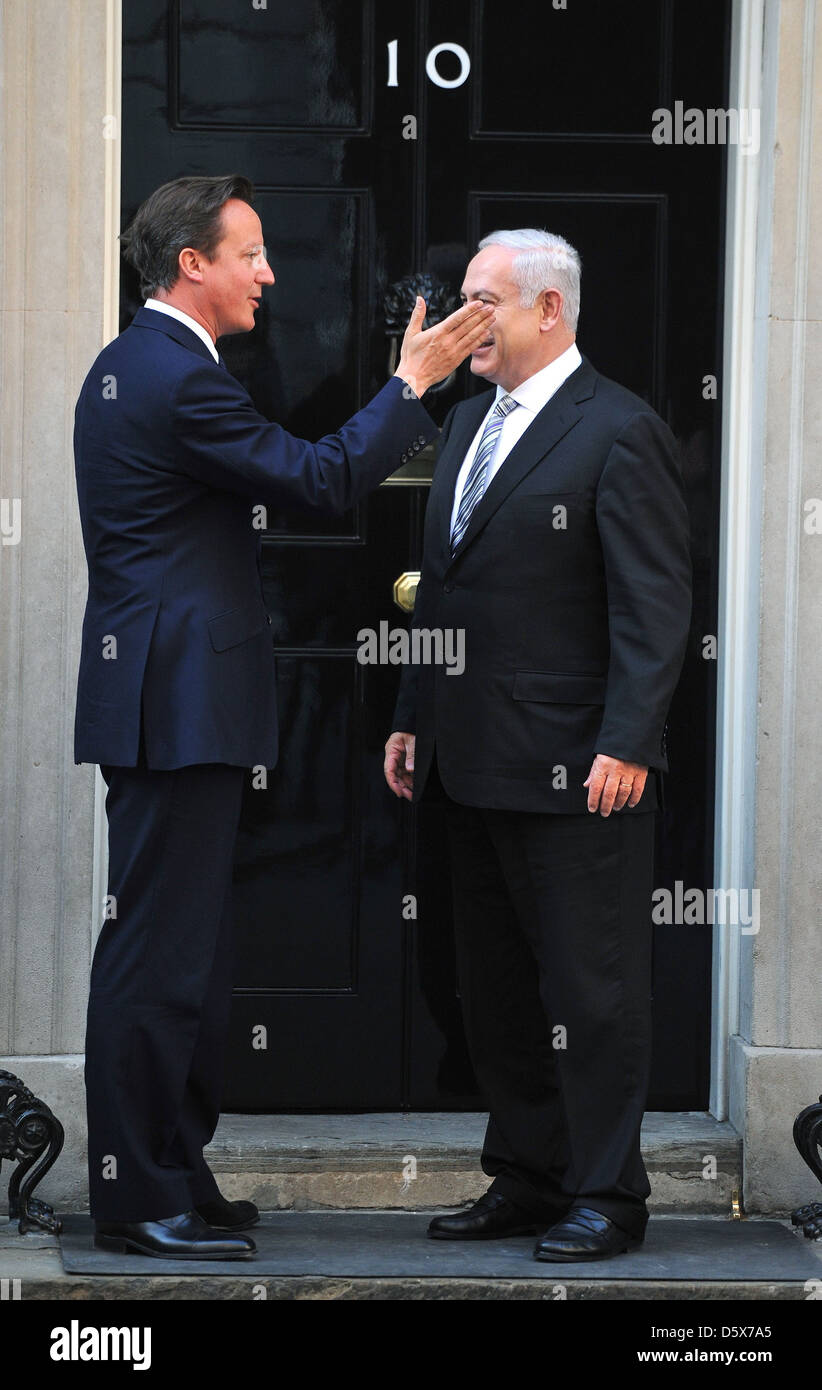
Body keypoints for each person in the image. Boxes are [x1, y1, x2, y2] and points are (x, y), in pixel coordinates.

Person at [74, 173, 493, 1260]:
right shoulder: (172, 380)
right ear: (190, 266)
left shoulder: (154, 369)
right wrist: (411, 381)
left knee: (194, 953)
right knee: (159, 956)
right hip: (175, 704)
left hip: (179, 698)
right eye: (249, 253)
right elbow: (318, 480)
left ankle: (174, 1169)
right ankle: (132, 1200)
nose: (269, 272)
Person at [385, 229, 692, 1262]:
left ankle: (609, 1192)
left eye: (482, 301)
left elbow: (655, 607)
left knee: (593, 994)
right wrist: (412, 712)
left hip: (581, 771)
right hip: (468, 762)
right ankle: (526, 1177)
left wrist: (630, 743)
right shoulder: (465, 422)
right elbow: (444, 583)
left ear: (549, 309)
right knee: (497, 991)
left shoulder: (619, 429)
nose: (460, 318)